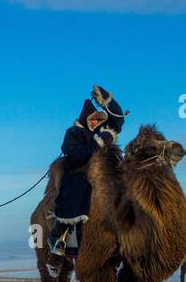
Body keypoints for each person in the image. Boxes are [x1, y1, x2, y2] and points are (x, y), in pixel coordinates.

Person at [46, 86, 126, 271]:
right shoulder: (73, 133)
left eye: (98, 119)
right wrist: (99, 142)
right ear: (85, 119)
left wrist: (106, 100)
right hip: (79, 172)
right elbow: (74, 155)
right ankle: (58, 240)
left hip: (105, 171)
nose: (95, 122)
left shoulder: (103, 130)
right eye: (92, 119)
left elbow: (118, 120)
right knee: (76, 193)